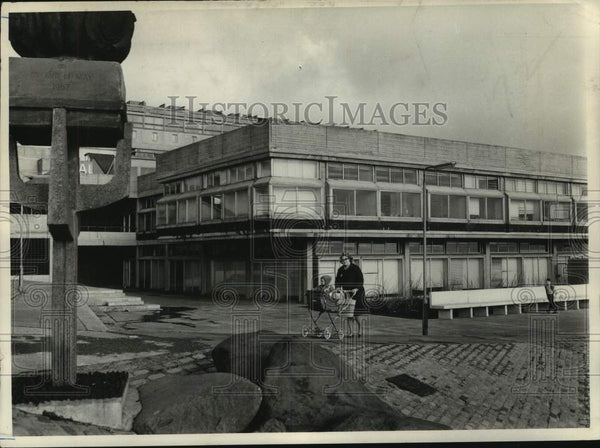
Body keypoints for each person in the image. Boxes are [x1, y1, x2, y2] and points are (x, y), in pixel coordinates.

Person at [335, 253, 366, 336]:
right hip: (346, 293)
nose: (344, 261)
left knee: (356, 314)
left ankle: (360, 330)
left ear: (349, 259)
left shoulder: (355, 268)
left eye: (346, 259)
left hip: (357, 293)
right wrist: (338, 288)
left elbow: (361, 280)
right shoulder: (340, 270)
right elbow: (337, 280)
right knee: (348, 313)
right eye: (342, 260)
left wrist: (356, 288)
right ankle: (350, 332)